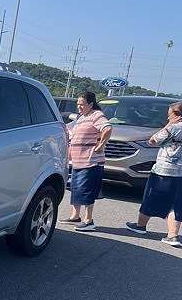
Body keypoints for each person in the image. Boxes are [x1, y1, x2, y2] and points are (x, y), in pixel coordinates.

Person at [126, 102, 182, 247]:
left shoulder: (172, 128)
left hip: (164, 170)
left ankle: (140, 226)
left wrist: (168, 125)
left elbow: (152, 141)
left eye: (169, 114)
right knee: (175, 203)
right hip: (180, 173)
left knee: (151, 197)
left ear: (176, 115)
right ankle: (173, 235)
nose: (167, 116)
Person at [59, 91, 113, 231]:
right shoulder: (82, 117)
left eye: (82, 104)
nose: (79, 107)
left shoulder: (96, 115)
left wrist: (101, 145)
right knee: (76, 188)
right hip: (77, 161)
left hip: (90, 161)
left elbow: (107, 128)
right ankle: (75, 216)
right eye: (77, 104)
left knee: (87, 190)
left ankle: (88, 220)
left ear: (90, 104)